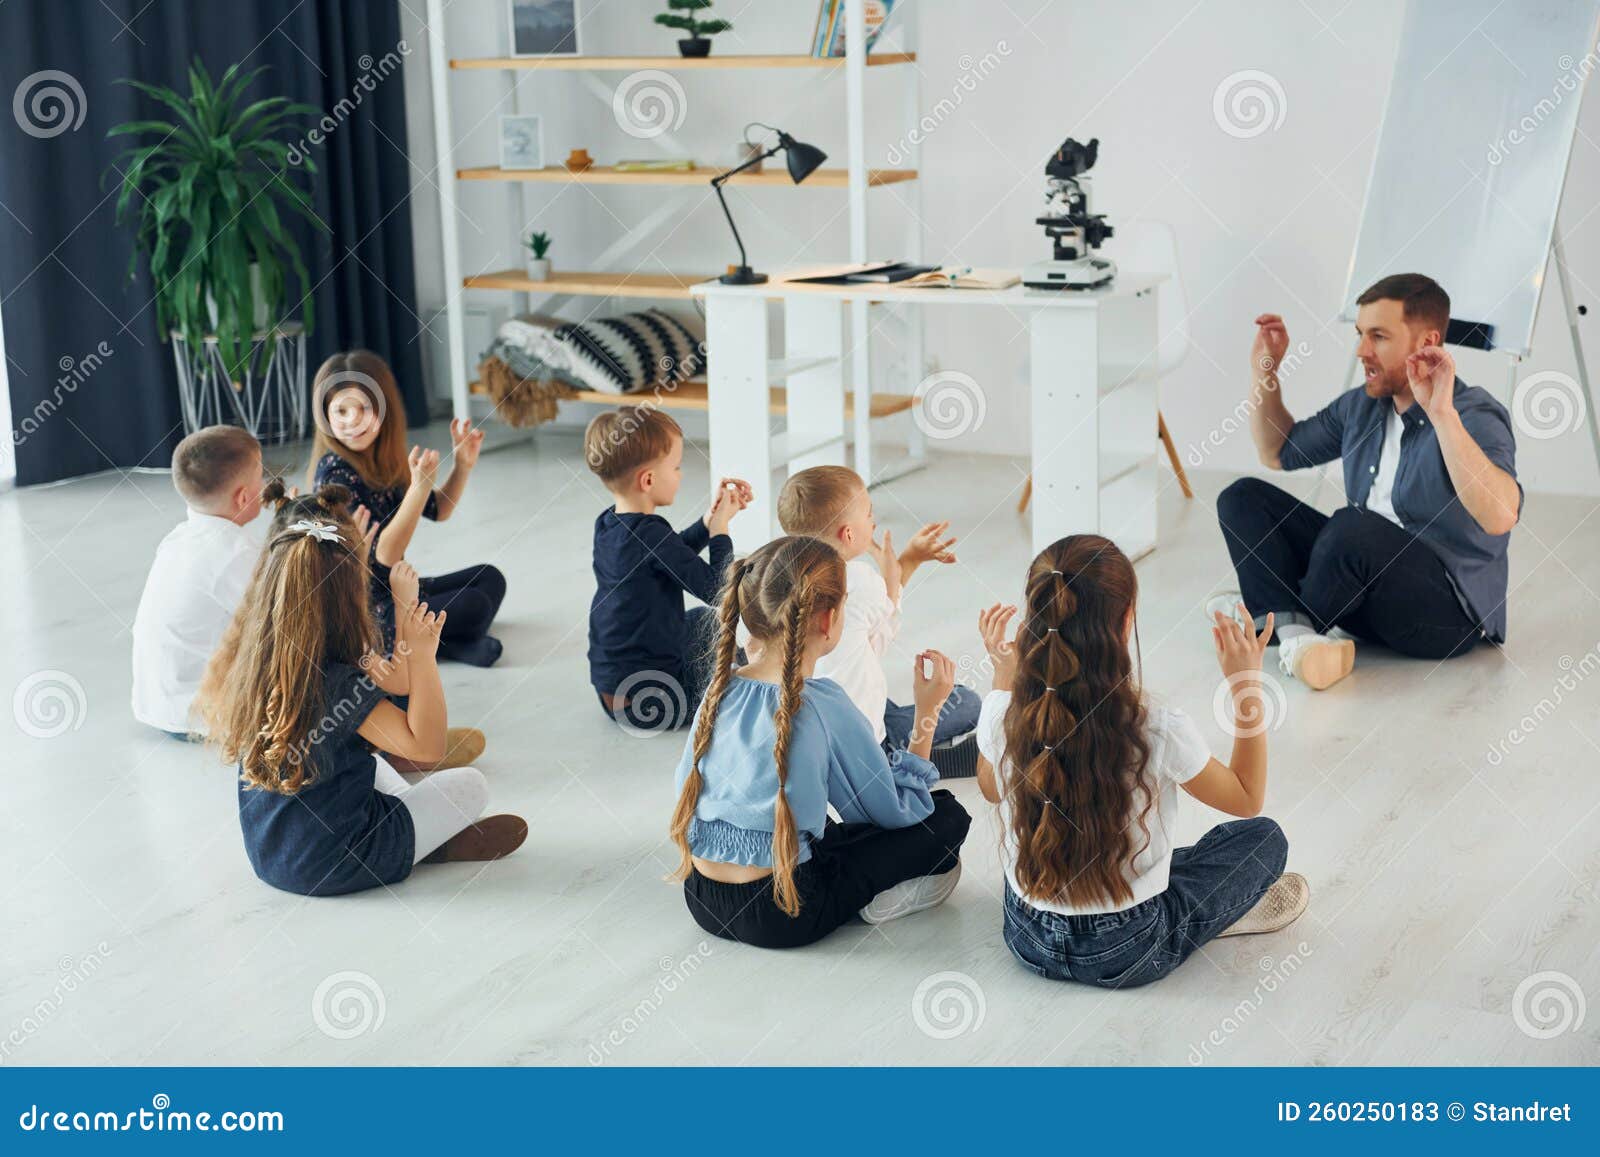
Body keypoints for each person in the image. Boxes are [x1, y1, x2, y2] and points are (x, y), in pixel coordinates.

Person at [977, 534, 1308, 988]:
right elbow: (1247, 799)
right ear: (1126, 619)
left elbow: (992, 788)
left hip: (1026, 933)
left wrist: (1001, 679)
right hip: (1127, 946)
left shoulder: (1004, 710)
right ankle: (1204, 920)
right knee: (1262, 840)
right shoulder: (1156, 725)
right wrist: (1246, 685)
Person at [199, 486, 526, 896]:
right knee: (471, 786)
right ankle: (422, 844)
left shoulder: (259, 655)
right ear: (349, 592)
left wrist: (406, 618)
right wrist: (423, 654)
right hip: (337, 860)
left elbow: (397, 683)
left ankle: (418, 826)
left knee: (377, 767)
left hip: (270, 855)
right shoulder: (336, 682)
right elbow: (425, 748)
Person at [1216, 273, 1521, 689]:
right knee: (1242, 498)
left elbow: (1501, 516)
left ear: (1427, 343)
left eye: (1378, 336)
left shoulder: (1473, 413)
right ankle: (1297, 637)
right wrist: (1265, 369)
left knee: (1352, 527)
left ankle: (1270, 612)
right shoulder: (1363, 405)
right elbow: (1278, 451)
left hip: (1444, 616)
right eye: (1360, 334)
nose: (1361, 351)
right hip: (1358, 583)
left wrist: (1442, 416)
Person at [670, 536, 972, 949]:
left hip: (701, 898)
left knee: (815, 828)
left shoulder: (719, 687)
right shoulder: (822, 703)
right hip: (785, 914)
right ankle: (879, 898)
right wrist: (927, 713)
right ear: (828, 621)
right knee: (948, 816)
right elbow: (897, 812)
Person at [776, 465, 981, 774]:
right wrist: (906, 562)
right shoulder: (857, 578)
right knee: (966, 702)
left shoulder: (778, 576)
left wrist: (898, 570)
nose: (874, 521)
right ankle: (908, 758)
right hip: (860, 741)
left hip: (807, 729)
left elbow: (865, 636)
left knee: (878, 697)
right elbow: (880, 637)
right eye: (869, 514)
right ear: (848, 533)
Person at [309, 350, 506, 667]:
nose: (352, 420)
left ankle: (442, 643)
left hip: (397, 591)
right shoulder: (336, 475)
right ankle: (439, 643)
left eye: (363, 408)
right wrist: (418, 487)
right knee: (474, 605)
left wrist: (462, 466)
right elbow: (384, 556)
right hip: (368, 614)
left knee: (490, 578)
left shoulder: (383, 457)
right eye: (340, 411)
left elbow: (439, 510)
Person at [584, 405, 752, 732]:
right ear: (648, 480)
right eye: (675, 467)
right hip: (654, 703)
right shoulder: (650, 536)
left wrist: (707, 521)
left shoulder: (608, 523)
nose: (681, 474)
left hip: (614, 694)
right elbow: (719, 591)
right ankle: (758, 688)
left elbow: (669, 555)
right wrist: (720, 530)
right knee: (722, 626)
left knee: (699, 622)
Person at [132, 425, 271, 736]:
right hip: (199, 717)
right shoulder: (235, 552)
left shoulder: (178, 537)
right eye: (261, 476)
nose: (266, 484)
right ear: (243, 497)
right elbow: (281, 618)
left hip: (157, 705)